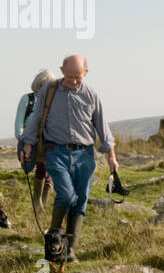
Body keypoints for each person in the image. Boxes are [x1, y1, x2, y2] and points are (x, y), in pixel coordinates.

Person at [18, 55, 118, 261]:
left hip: (85, 155)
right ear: (62, 70)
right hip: (56, 151)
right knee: (67, 196)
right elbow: (36, 117)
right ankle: (53, 242)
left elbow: (102, 126)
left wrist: (111, 156)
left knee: (80, 200)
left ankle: (69, 249)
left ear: (86, 73)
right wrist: (28, 143)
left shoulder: (91, 94)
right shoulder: (49, 90)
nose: (73, 81)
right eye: (69, 76)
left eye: (78, 77)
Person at [15, 69, 55, 212]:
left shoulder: (54, 100)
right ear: (39, 84)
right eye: (46, 84)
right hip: (31, 140)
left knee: (49, 168)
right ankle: (38, 201)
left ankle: (43, 201)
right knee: (42, 166)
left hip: (50, 139)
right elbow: (19, 122)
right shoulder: (28, 99)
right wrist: (23, 141)